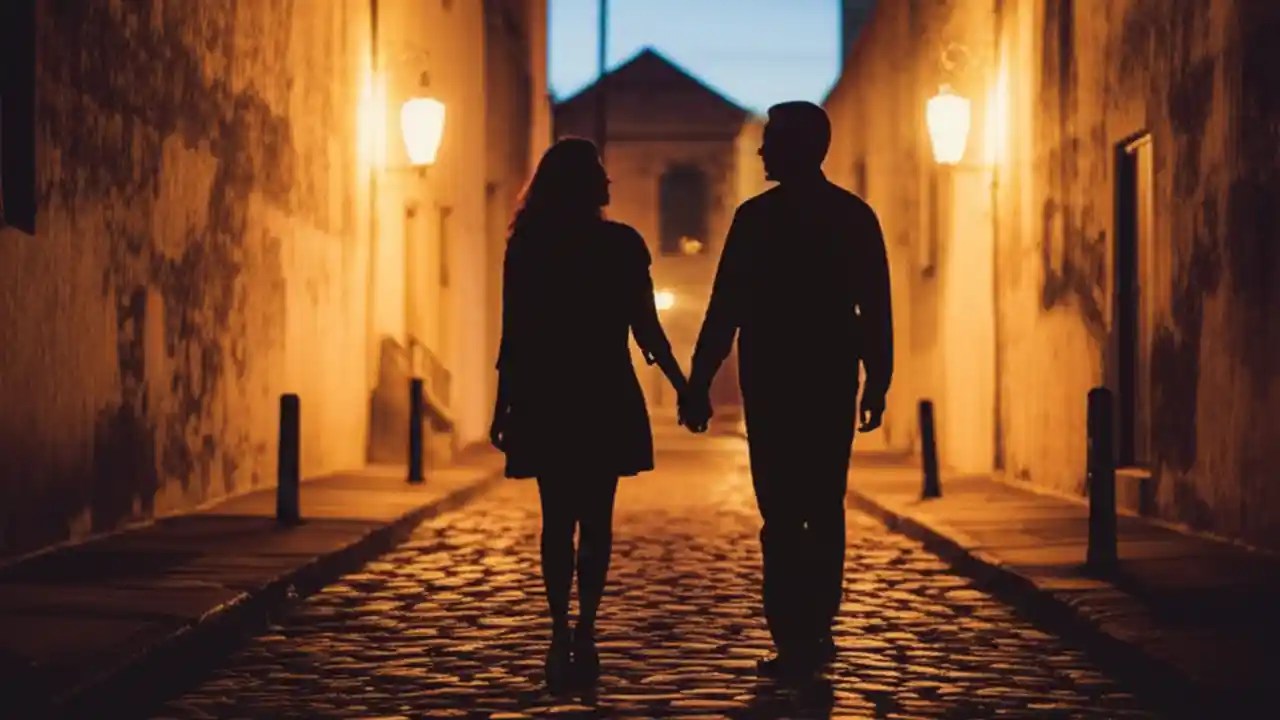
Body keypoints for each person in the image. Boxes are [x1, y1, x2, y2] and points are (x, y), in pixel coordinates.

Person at [679, 101, 894, 679]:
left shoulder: (758, 220)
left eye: (771, 140)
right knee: (822, 507)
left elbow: (725, 308)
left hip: (774, 384)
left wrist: (700, 382)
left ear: (797, 146)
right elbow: (874, 306)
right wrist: (878, 376)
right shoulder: (853, 216)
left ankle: (793, 634)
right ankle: (814, 627)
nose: (761, 149)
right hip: (826, 381)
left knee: (781, 513)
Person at [490, 137, 688, 691]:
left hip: (548, 392)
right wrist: (684, 387)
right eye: (599, 173)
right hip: (603, 392)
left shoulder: (528, 244)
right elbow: (646, 329)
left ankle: (559, 629)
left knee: (557, 520)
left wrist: (503, 404)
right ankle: (586, 628)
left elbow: (517, 332)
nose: (608, 181)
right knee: (595, 520)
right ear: (584, 183)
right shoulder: (622, 245)